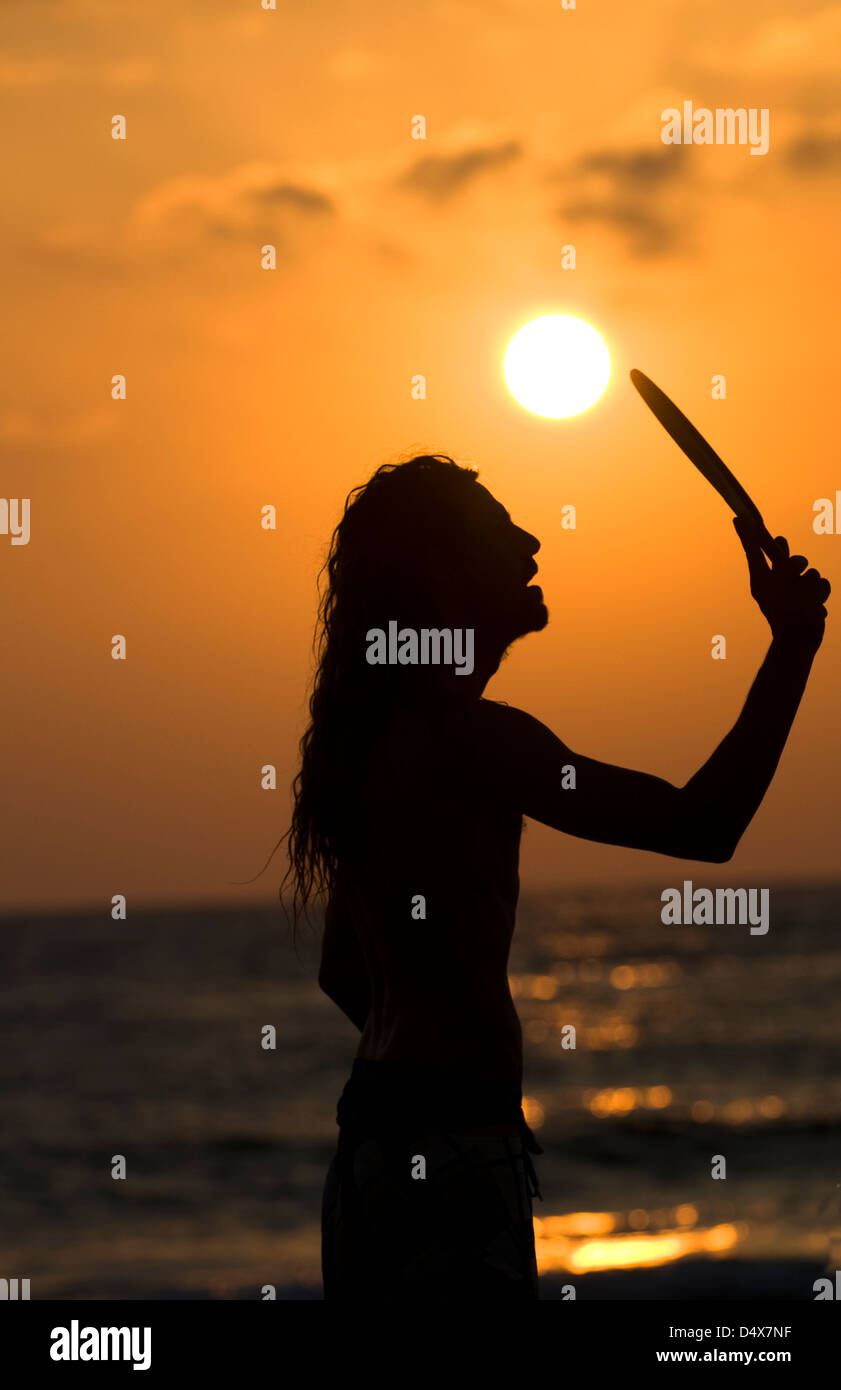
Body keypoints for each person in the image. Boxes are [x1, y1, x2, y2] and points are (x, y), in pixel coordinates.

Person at [282, 454, 830, 1302]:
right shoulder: (474, 741)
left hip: (371, 1151)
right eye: (500, 532)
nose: (533, 542)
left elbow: (342, 973)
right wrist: (792, 649)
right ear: (445, 572)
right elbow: (703, 826)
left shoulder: (373, 748)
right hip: (455, 1146)